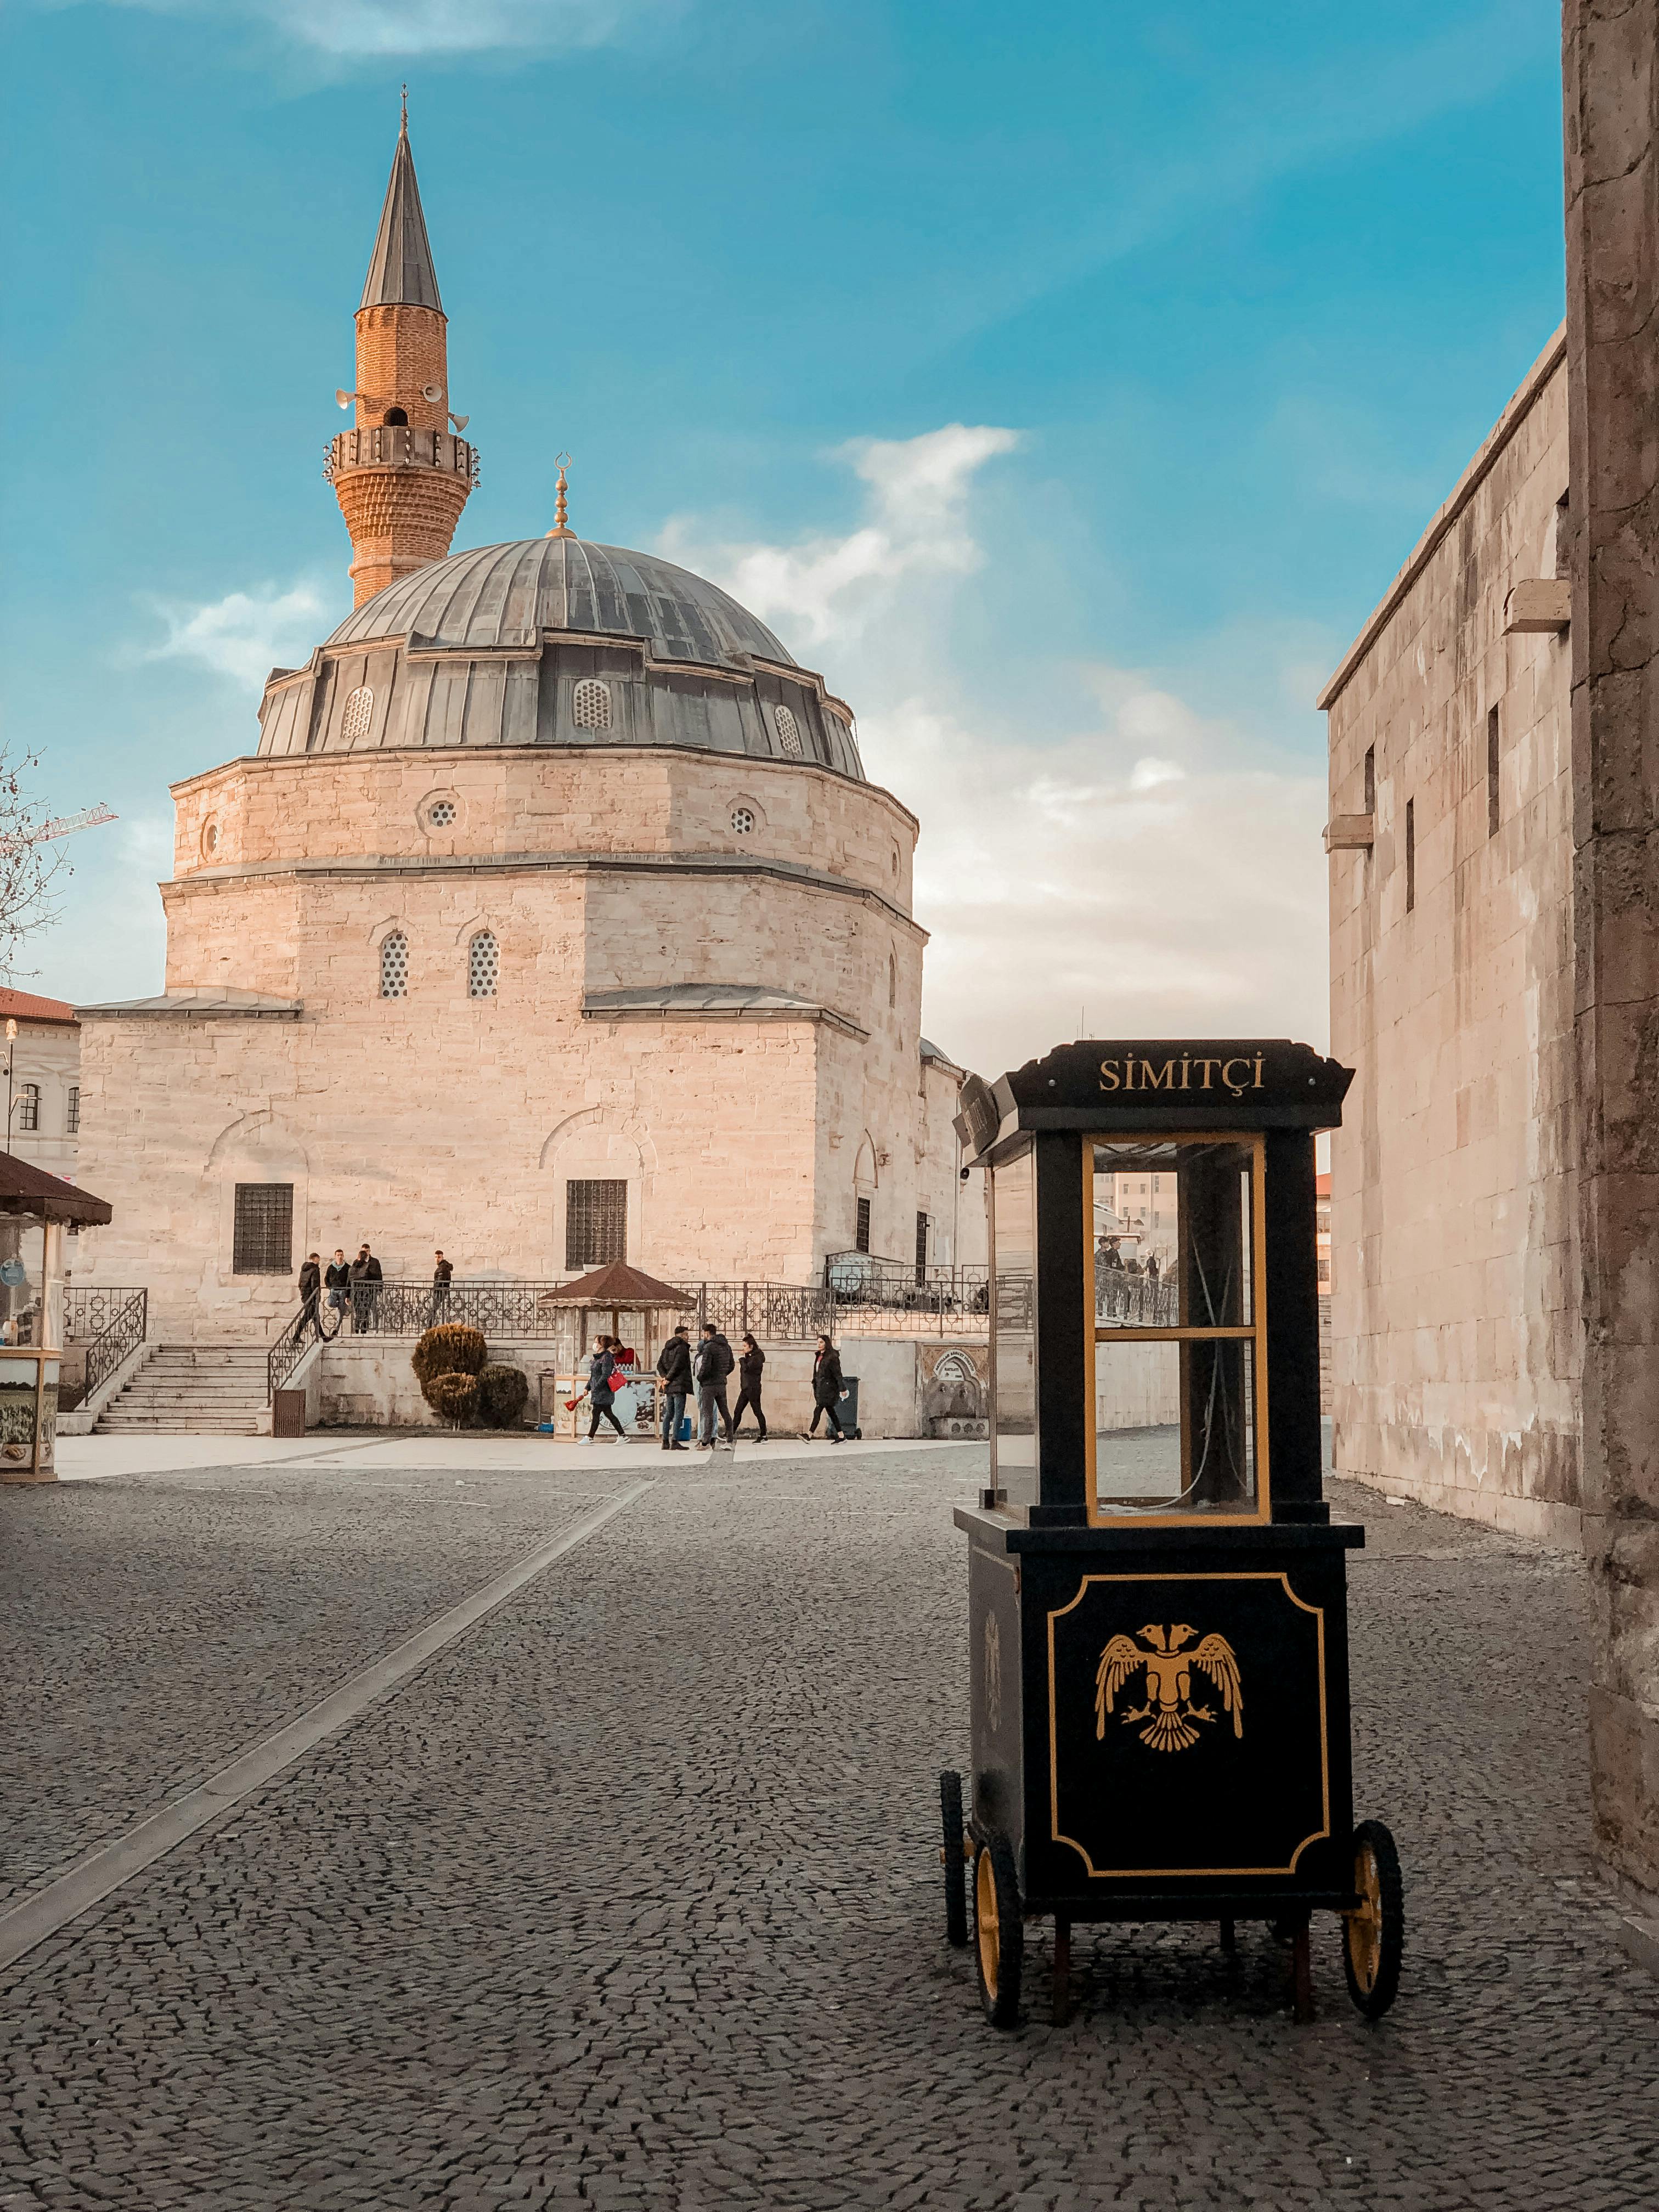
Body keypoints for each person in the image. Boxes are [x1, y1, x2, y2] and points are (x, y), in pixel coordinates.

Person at [693, 1321, 735, 1448]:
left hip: (709, 1385)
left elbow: (705, 1367)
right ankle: (730, 1438)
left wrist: (700, 1378)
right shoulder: (727, 1347)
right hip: (721, 1384)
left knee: (708, 1413)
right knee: (725, 1412)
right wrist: (722, 1374)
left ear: (707, 1333)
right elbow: (732, 1365)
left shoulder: (709, 1347)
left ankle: (706, 1441)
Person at [578, 1333, 625, 1442]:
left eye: (596, 1342)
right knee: (607, 1413)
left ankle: (590, 1437)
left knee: (597, 1413)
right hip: (598, 1391)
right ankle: (622, 1435)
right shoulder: (598, 1358)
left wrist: (595, 1387)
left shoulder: (606, 1357)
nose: (594, 1344)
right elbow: (594, 1376)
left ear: (601, 1345)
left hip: (603, 1392)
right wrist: (588, 1387)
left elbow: (605, 1375)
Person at [655, 1323, 693, 1452]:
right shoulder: (682, 1348)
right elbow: (678, 1365)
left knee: (668, 1414)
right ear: (682, 1335)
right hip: (679, 1385)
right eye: (687, 1335)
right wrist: (669, 1378)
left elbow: (659, 1365)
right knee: (678, 1414)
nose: (688, 1337)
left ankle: (665, 1441)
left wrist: (665, 1378)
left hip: (669, 1386)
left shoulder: (667, 1348)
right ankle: (675, 1441)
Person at [810, 1333, 846, 1442]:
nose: (819, 1344)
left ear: (826, 1343)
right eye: (818, 1342)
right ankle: (842, 1436)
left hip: (829, 1389)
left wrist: (842, 1388)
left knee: (818, 1410)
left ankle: (809, 1434)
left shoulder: (832, 1357)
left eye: (821, 1342)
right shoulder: (819, 1356)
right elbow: (817, 1372)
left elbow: (837, 1374)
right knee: (831, 1412)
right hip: (821, 1388)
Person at [732, 1332, 768, 1440]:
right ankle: (730, 1433)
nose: (743, 1349)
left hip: (753, 1389)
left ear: (751, 1346)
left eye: (745, 1346)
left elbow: (747, 1368)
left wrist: (742, 1359)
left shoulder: (757, 1358)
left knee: (757, 1412)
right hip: (746, 1388)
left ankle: (764, 1435)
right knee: (738, 1411)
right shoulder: (751, 1356)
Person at [349, 1244, 383, 1330]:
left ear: (369, 1251)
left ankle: (368, 1328)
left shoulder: (375, 1261)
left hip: (371, 1288)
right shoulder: (358, 1262)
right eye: (363, 1251)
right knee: (359, 1309)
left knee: (370, 1308)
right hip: (359, 1289)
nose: (365, 1253)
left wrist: (380, 1289)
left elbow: (379, 1275)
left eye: (367, 1251)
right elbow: (353, 1276)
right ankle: (359, 1328)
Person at [297, 1251, 323, 1341]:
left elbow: (300, 1283)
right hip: (311, 1296)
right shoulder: (315, 1269)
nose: (319, 1261)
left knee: (314, 1316)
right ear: (316, 1259)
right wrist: (317, 1297)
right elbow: (315, 1285)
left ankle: (323, 1336)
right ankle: (296, 1337)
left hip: (305, 1295)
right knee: (307, 1316)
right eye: (319, 1259)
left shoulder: (304, 1269)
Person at [324, 1249, 351, 1328]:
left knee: (341, 1312)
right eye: (338, 1255)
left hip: (343, 1291)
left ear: (343, 1256)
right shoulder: (331, 1267)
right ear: (335, 1256)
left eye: (341, 1255)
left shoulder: (347, 1267)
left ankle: (337, 1328)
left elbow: (349, 1280)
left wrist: (347, 1290)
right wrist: (330, 1287)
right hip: (334, 1290)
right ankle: (343, 1306)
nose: (340, 1257)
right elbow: (326, 1278)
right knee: (330, 1303)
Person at [428, 1249, 453, 1325]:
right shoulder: (443, 1266)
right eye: (436, 1257)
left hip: (440, 1291)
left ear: (442, 1258)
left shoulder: (442, 1268)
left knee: (433, 1309)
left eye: (439, 1257)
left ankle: (429, 1326)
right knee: (434, 1310)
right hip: (442, 1291)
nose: (437, 1259)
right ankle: (430, 1325)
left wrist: (435, 1290)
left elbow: (439, 1281)